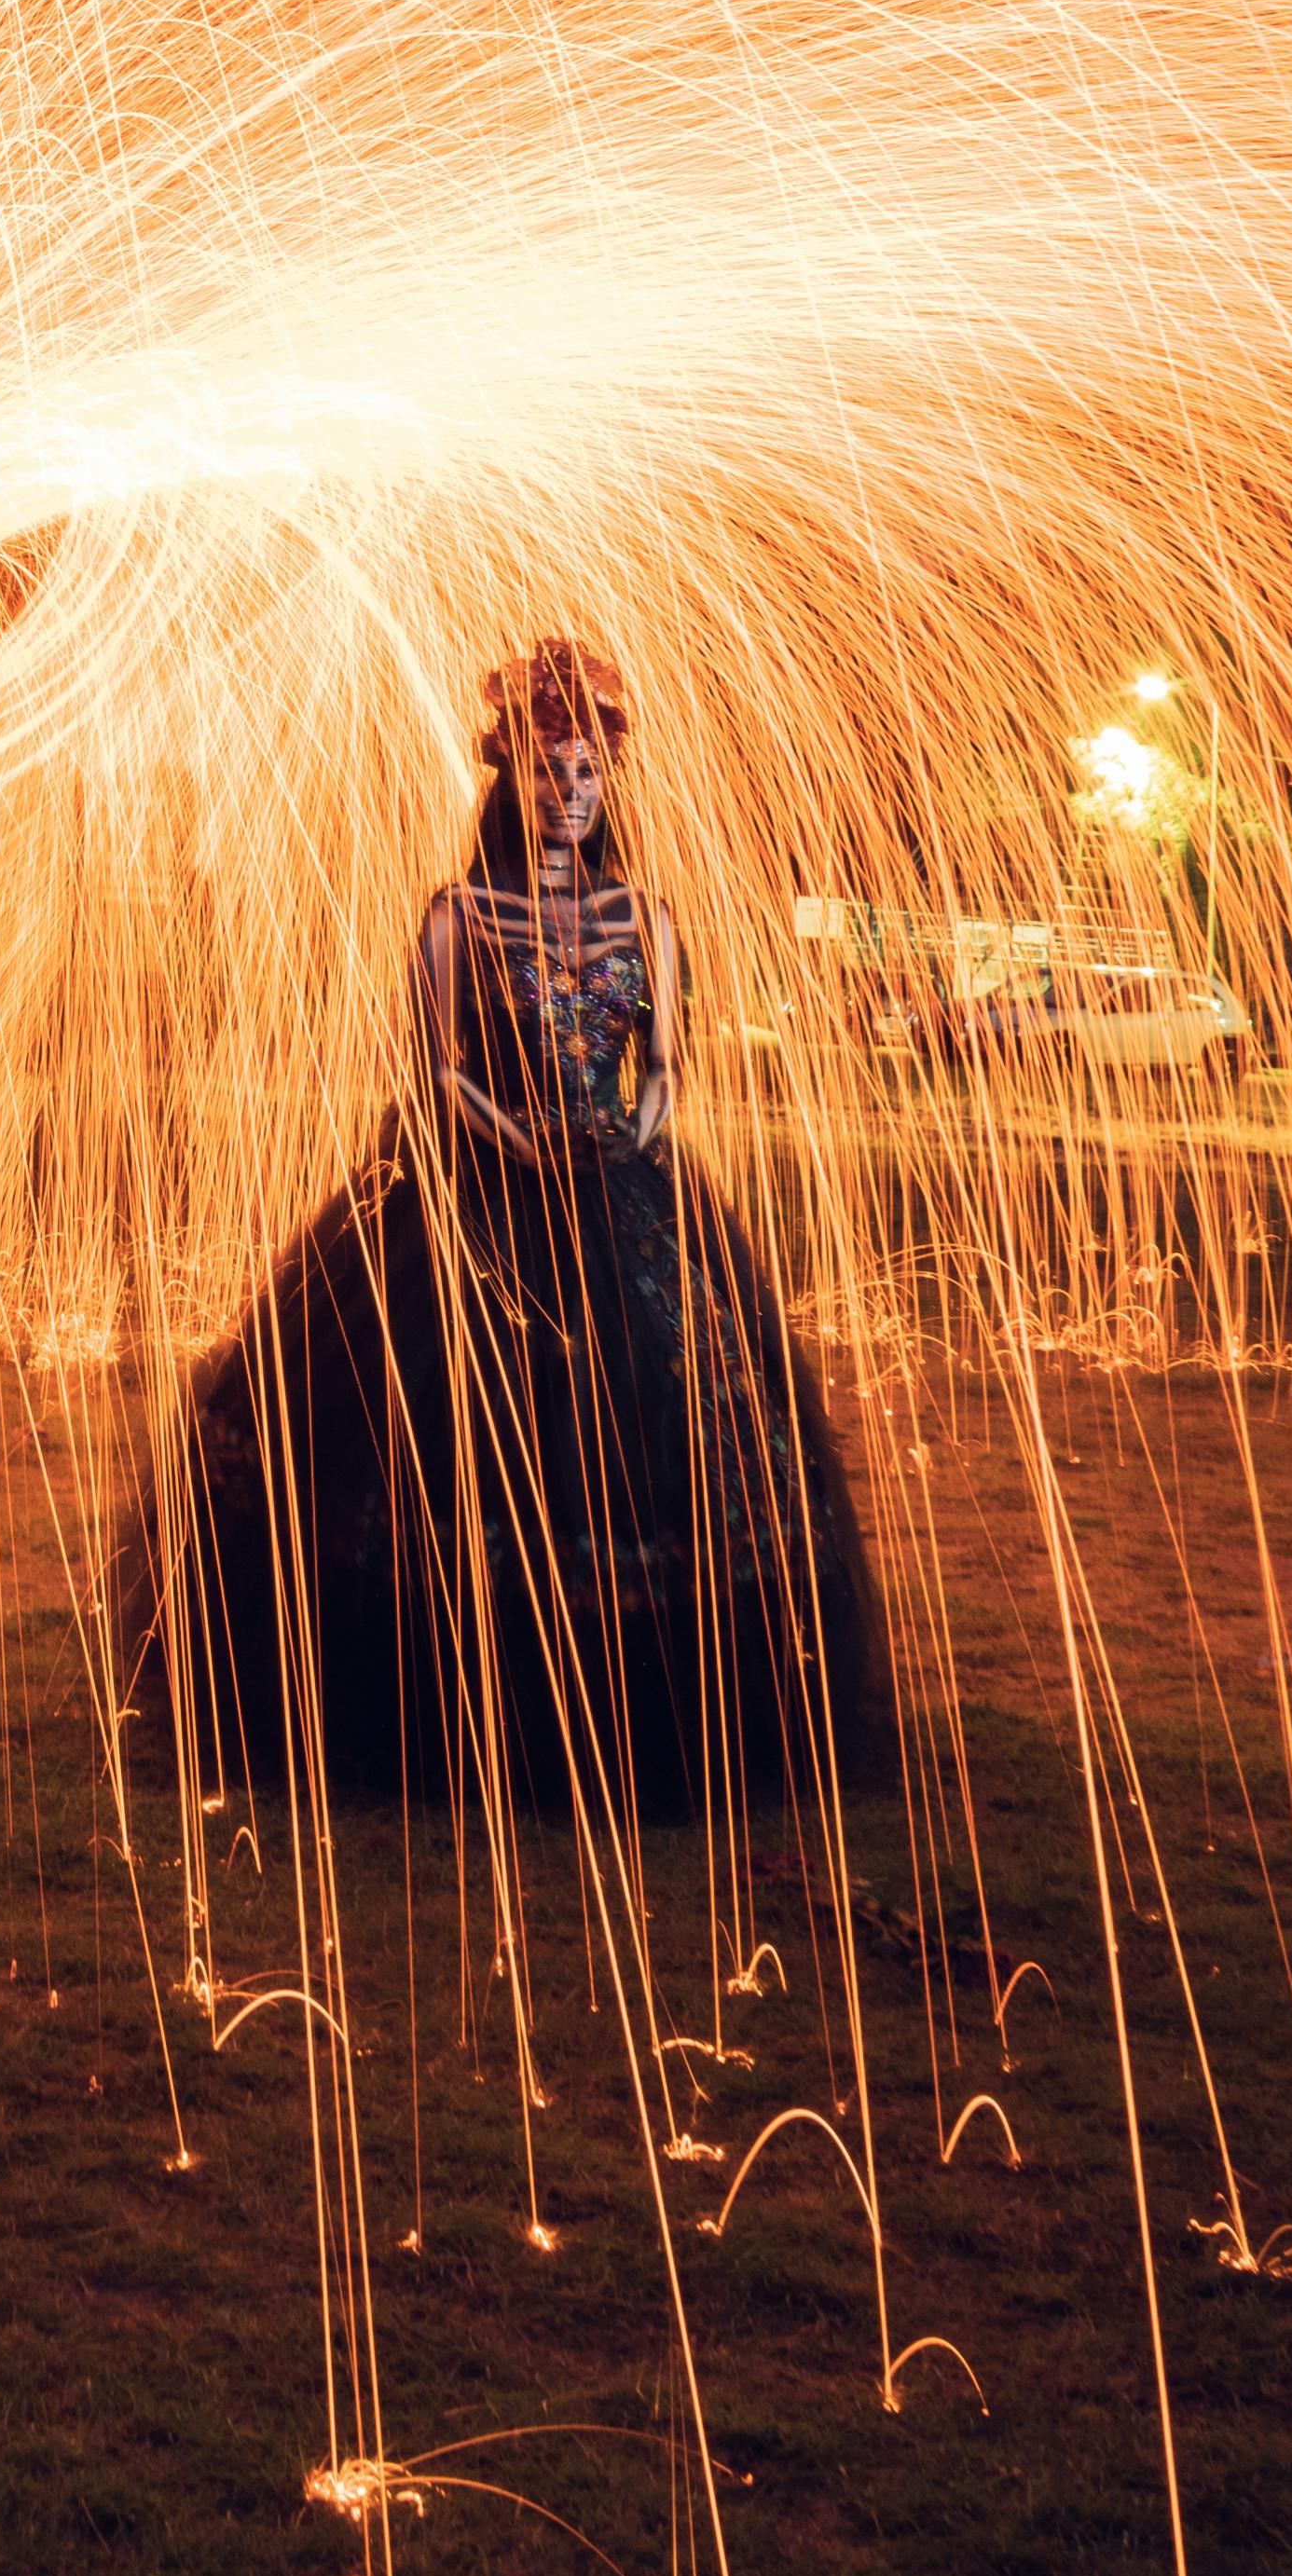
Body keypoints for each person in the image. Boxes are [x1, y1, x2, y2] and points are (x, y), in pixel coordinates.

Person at [125, 637, 879, 1829]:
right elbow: (425, 1069)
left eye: (584, 776)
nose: (567, 795)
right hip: (479, 1191)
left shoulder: (648, 919)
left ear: (605, 783)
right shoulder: (462, 914)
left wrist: (628, 1130)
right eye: (546, 775)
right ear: (509, 780)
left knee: (667, 1404)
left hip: (622, 1191)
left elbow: (668, 1066)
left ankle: (664, 1705)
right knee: (445, 1402)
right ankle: (431, 1688)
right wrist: (511, 1129)